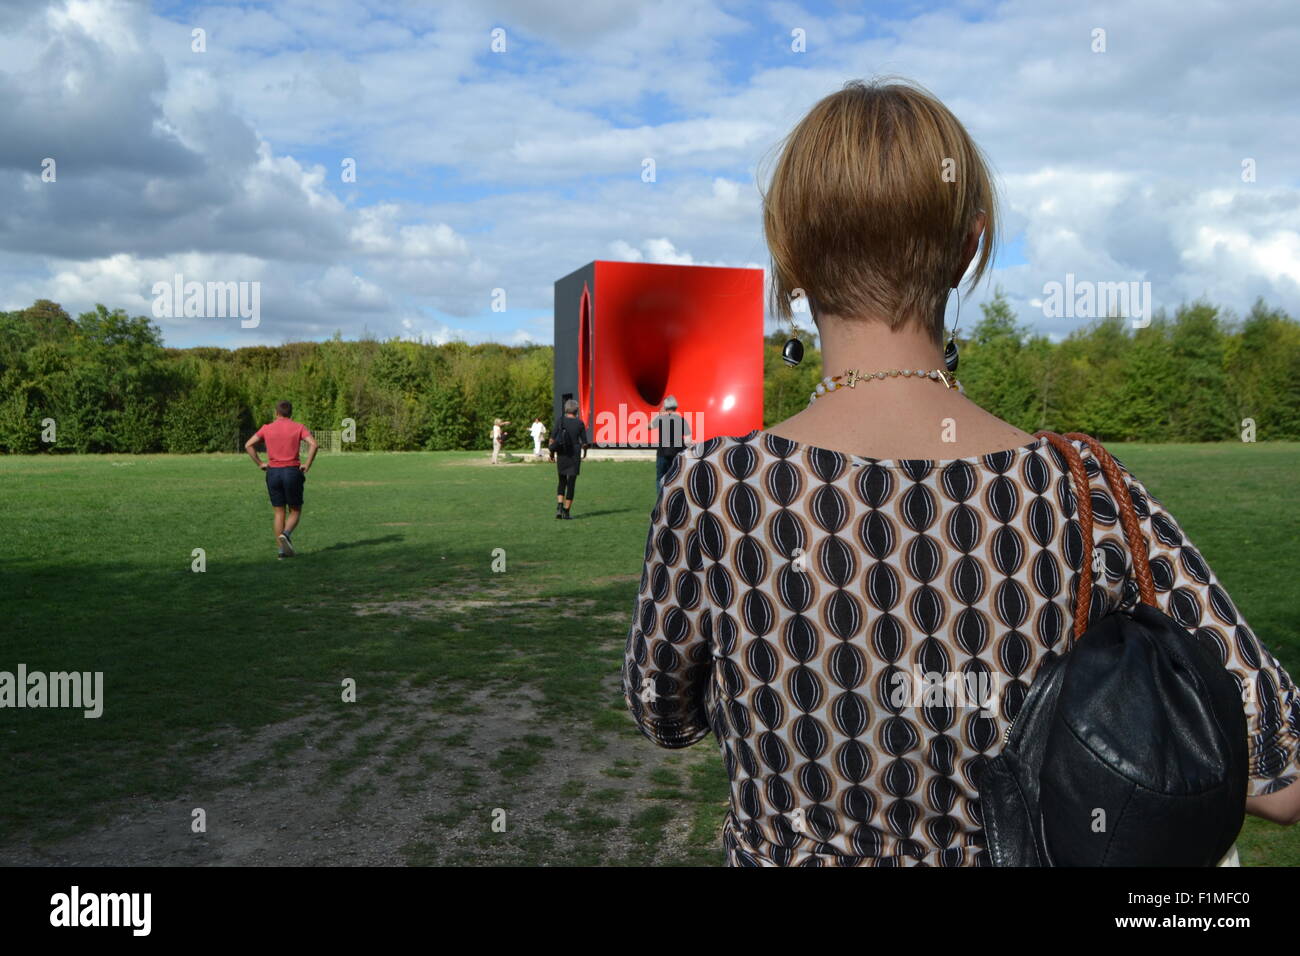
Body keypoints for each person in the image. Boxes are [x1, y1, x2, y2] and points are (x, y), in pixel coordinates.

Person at [622, 78, 1300, 867]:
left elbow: (663, 717)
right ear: (973, 244)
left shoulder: (713, 490)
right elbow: (1279, 773)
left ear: (791, 258)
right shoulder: (1084, 490)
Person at [244, 400, 318, 559]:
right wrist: (307, 464)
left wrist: (260, 463)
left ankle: (282, 551)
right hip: (292, 471)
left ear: (276, 412)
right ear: (290, 413)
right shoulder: (299, 427)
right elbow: (314, 444)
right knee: (295, 510)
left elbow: (248, 445)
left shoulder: (267, 428)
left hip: (273, 473)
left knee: (278, 512)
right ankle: (286, 533)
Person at [548, 398, 590, 519]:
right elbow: (585, 443)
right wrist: (585, 453)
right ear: (576, 410)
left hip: (562, 453)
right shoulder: (580, 423)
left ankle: (559, 507)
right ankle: (566, 512)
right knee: (571, 483)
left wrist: (551, 454)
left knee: (561, 481)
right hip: (574, 455)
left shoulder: (560, 421)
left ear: (566, 409)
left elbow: (552, 439)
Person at [649, 396, 692, 488]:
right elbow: (688, 441)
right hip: (676, 454)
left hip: (662, 453)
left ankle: (661, 501)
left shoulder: (660, 419)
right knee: (675, 478)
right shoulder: (682, 420)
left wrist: (659, 414)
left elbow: (649, 426)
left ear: (665, 407)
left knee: (660, 478)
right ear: (675, 407)